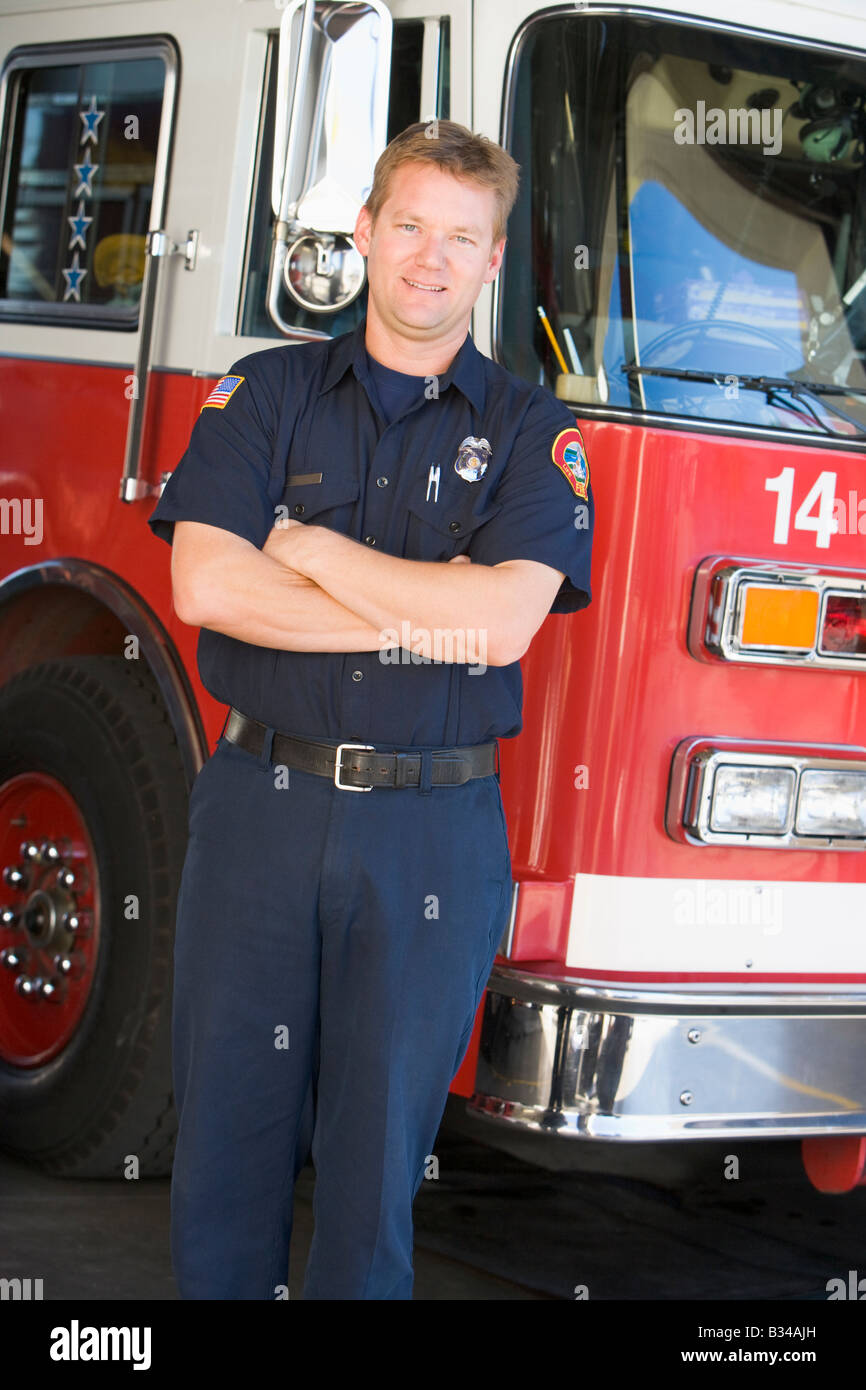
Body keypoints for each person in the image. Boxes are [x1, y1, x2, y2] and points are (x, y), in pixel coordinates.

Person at [147, 119, 594, 1300]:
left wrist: (302, 548)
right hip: (258, 810)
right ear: (364, 233)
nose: (430, 258)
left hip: (429, 833)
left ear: (492, 260)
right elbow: (204, 583)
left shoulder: (533, 434)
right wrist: (425, 610)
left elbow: (501, 628)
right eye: (408, 225)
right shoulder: (264, 390)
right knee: (224, 1149)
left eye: (462, 236)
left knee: (373, 1174)